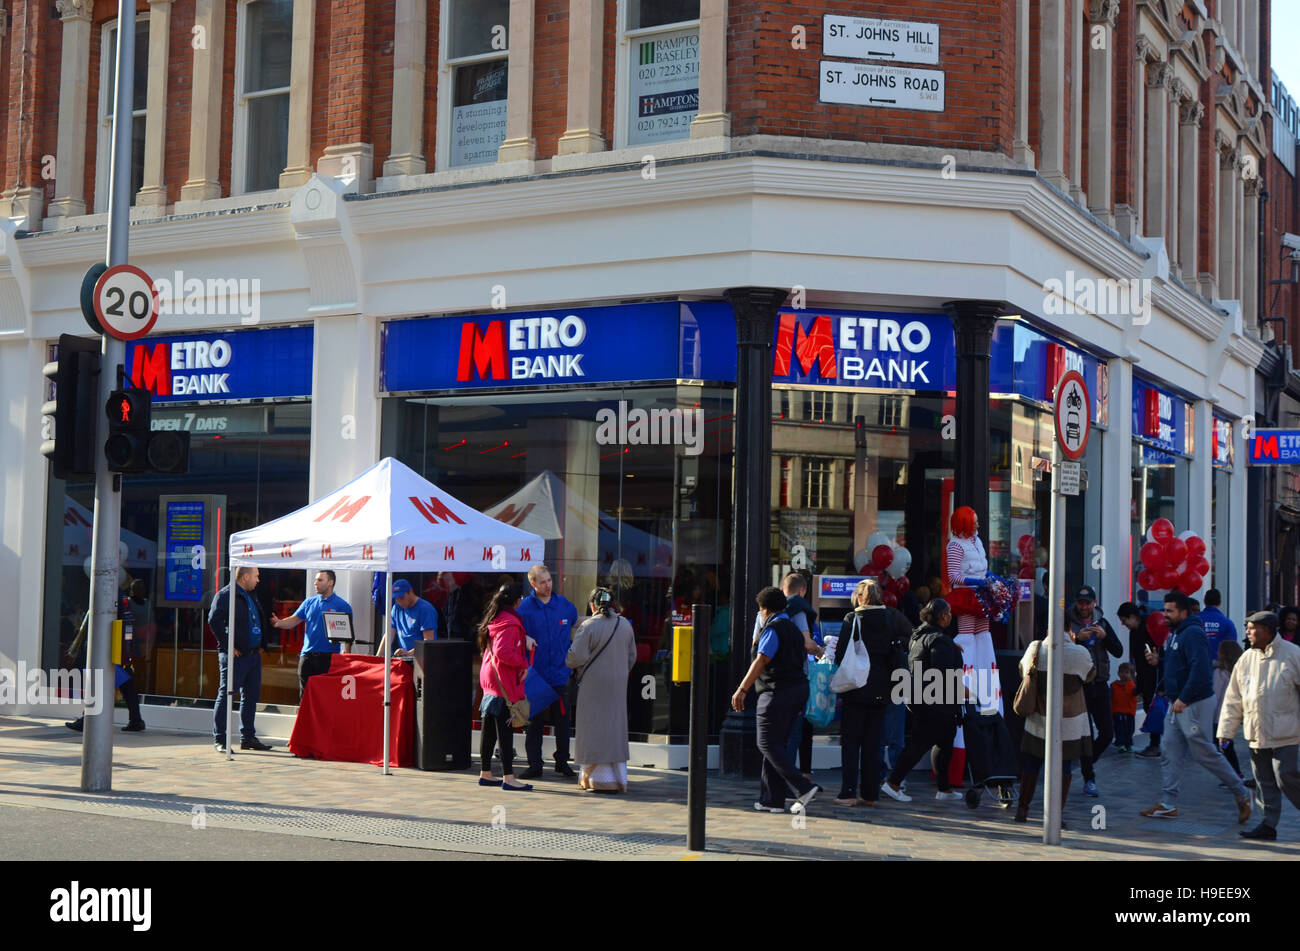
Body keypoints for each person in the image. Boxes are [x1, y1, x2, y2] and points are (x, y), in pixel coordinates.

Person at [1139, 591, 1252, 822]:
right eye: (1164, 610)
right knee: (1170, 751)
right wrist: (1158, 662)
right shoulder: (1176, 633)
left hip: (1193, 703)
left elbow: (1200, 670)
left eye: (1169, 611)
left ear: (1183, 612)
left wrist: (1184, 698)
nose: (1164, 615)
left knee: (1204, 754)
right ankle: (1169, 804)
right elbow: (1178, 664)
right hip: (1177, 703)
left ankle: (1242, 793)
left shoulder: (1192, 633)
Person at [732, 587, 818, 814]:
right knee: (776, 744)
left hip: (776, 692)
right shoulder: (792, 628)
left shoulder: (773, 629)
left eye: (761, 610)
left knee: (766, 743)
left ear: (766, 609)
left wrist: (742, 689)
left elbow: (762, 660)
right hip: (798, 690)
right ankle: (772, 799)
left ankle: (803, 787)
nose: (760, 614)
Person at [1218, 611, 1300, 840]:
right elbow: (1233, 698)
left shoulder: (1293, 655)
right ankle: (1268, 825)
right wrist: (1226, 731)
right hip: (1256, 732)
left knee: (1286, 776)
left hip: (1286, 732)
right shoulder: (1246, 659)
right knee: (1264, 782)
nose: (1247, 632)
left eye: (1251, 628)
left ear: (1267, 631)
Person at [880, 598, 964, 804]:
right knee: (920, 744)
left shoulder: (920, 636)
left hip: (922, 698)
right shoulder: (939, 640)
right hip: (936, 702)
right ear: (941, 616)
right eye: (948, 612)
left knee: (944, 742)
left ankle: (944, 789)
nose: (950, 616)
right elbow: (942, 672)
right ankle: (893, 782)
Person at [1014, 632, 1095, 825]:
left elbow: (1022, 671)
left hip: (1038, 718)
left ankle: (1022, 809)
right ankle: (1054, 816)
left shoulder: (1036, 647)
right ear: (1071, 632)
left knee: (1032, 764)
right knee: (1064, 767)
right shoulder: (1080, 653)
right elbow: (1090, 675)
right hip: (1068, 721)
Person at [839, 579, 904, 806]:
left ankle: (848, 792)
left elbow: (841, 654)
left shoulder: (852, 618)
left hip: (856, 688)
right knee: (873, 743)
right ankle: (870, 794)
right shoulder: (889, 619)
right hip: (881, 689)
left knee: (851, 742)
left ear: (859, 597)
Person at [566, 588, 637, 793]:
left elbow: (575, 658)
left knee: (593, 728)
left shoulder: (588, 626)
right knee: (615, 728)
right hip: (617, 685)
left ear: (593, 606)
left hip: (592, 685)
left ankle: (594, 779)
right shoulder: (624, 625)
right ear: (613, 604)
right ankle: (617, 779)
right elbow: (632, 657)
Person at [517, 564, 580, 780]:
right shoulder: (524, 608)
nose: (548, 585)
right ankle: (535, 765)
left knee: (563, 721)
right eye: (543, 582)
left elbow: (576, 622)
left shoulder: (563, 605)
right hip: (536, 676)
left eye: (550, 580)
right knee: (534, 723)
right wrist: (522, 638)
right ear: (533, 584)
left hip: (560, 675)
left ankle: (562, 762)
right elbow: (512, 632)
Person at [477, 583, 537, 791]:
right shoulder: (511, 623)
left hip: (490, 677)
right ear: (517, 601)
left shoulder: (496, 618)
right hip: (502, 680)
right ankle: (508, 777)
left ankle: (486, 773)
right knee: (505, 729)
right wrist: (523, 663)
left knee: (489, 729)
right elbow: (504, 652)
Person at [1065, 585, 1122, 796]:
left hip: (1100, 684)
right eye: (1081, 603)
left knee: (1107, 733)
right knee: (1085, 735)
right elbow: (1054, 646)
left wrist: (1105, 636)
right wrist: (1074, 639)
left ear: (1094, 603)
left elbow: (1118, 651)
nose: (1084, 607)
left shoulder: (1103, 622)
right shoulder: (1068, 622)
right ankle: (1089, 778)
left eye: (1088, 603)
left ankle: (1086, 762)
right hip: (1078, 686)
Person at [208, 567, 273, 752]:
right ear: (245, 577)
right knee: (227, 694)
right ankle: (220, 739)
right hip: (235, 656)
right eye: (256, 576)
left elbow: (255, 620)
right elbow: (214, 620)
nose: (258, 580)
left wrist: (261, 643)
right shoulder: (226, 595)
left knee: (250, 697)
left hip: (252, 655)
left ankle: (248, 738)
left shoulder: (250, 595)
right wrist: (229, 645)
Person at [65, 587, 145, 734]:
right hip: (117, 646)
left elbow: (100, 621)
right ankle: (136, 719)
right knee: (126, 683)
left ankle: (87, 720)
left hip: (108, 647)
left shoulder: (107, 592)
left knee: (98, 682)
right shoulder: (119, 595)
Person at [271, 569, 352, 696]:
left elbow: (348, 634)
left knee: (325, 698)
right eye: (315, 580)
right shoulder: (309, 602)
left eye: (320, 580)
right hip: (307, 656)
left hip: (329, 658)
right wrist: (279, 623)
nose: (316, 583)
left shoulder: (342, 605)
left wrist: (346, 652)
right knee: (305, 697)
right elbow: (293, 620)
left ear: (330, 582)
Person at [1212, 639, 1251, 788]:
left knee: (1220, 746)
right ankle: (1235, 773)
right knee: (1227, 745)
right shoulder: (1239, 671)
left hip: (1218, 715)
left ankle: (1233, 774)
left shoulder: (1219, 672)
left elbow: (1215, 695)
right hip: (1231, 714)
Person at [388, 579, 438, 657]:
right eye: (396, 598)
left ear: (410, 592)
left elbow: (428, 642)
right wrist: (377, 657)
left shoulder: (425, 609)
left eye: (401, 597)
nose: (399, 601)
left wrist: (409, 653)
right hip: (406, 659)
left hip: (423, 659)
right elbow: (389, 634)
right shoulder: (396, 608)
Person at [1111, 663, 1138, 753]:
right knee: (1119, 729)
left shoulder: (1133, 686)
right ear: (1118, 673)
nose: (1124, 674)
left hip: (1129, 712)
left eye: (1127, 672)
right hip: (1117, 711)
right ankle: (1121, 744)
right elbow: (1110, 697)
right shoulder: (1114, 685)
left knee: (1129, 729)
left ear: (1131, 675)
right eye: (1121, 672)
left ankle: (1128, 744)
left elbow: (1137, 693)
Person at [1200, 589, 1237, 656]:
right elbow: (1233, 648)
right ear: (1220, 602)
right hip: (1219, 664)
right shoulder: (1227, 623)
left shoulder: (1194, 619)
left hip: (1197, 663)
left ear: (1204, 601)